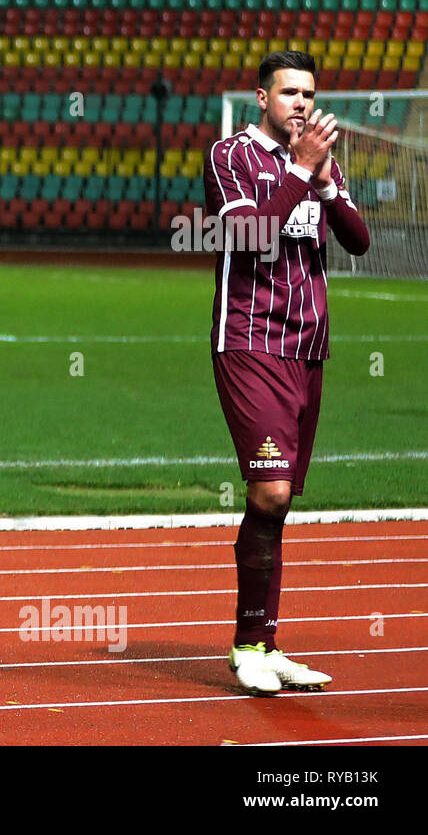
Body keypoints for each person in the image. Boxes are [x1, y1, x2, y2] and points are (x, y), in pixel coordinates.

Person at [203, 50, 369, 695]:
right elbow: (251, 235)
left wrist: (325, 182)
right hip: (250, 341)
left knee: (278, 506)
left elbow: (356, 239)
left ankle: (264, 643)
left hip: (309, 346)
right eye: (288, 92)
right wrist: (302, 170)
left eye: (308, 93)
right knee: (268, 492)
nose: (301, 103)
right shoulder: (230, 157)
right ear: (260, 98)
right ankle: (247, 645)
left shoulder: (317, 162)